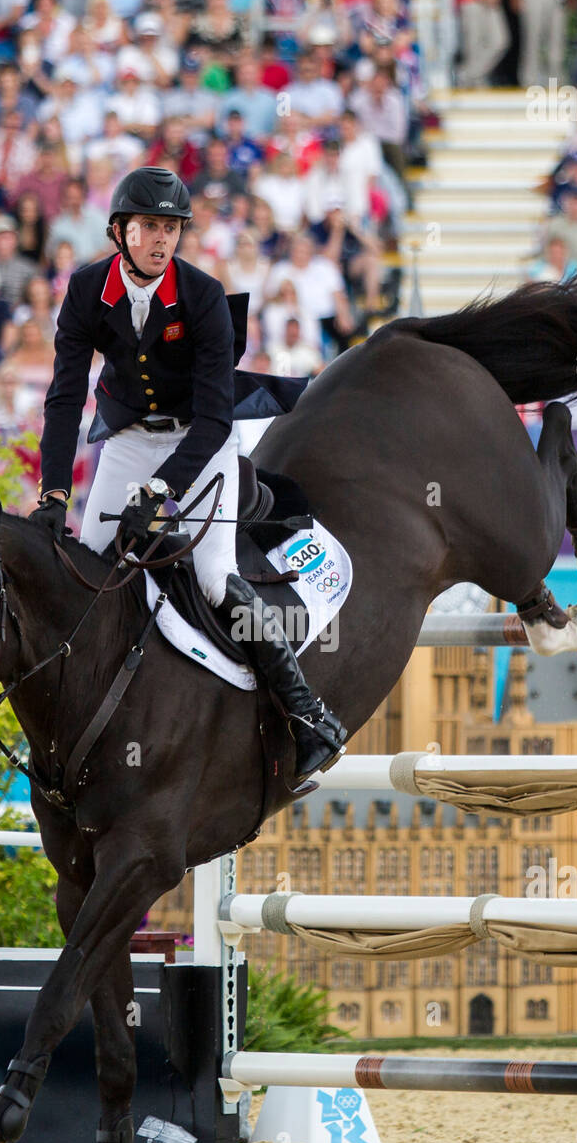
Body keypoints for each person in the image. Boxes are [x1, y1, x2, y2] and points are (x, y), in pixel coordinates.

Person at [31, 166, 346, 781]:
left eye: (171, 228)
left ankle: (307, 716)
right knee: (89, 572)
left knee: (214, 578)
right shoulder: (86, 289)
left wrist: (162, 492)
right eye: (149, 226)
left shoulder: (201, 296)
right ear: (119, 231)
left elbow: (213, 417)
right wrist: (54, 495)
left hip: (200, 441)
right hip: (127, 438)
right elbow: (65, 399)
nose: (162, 239)